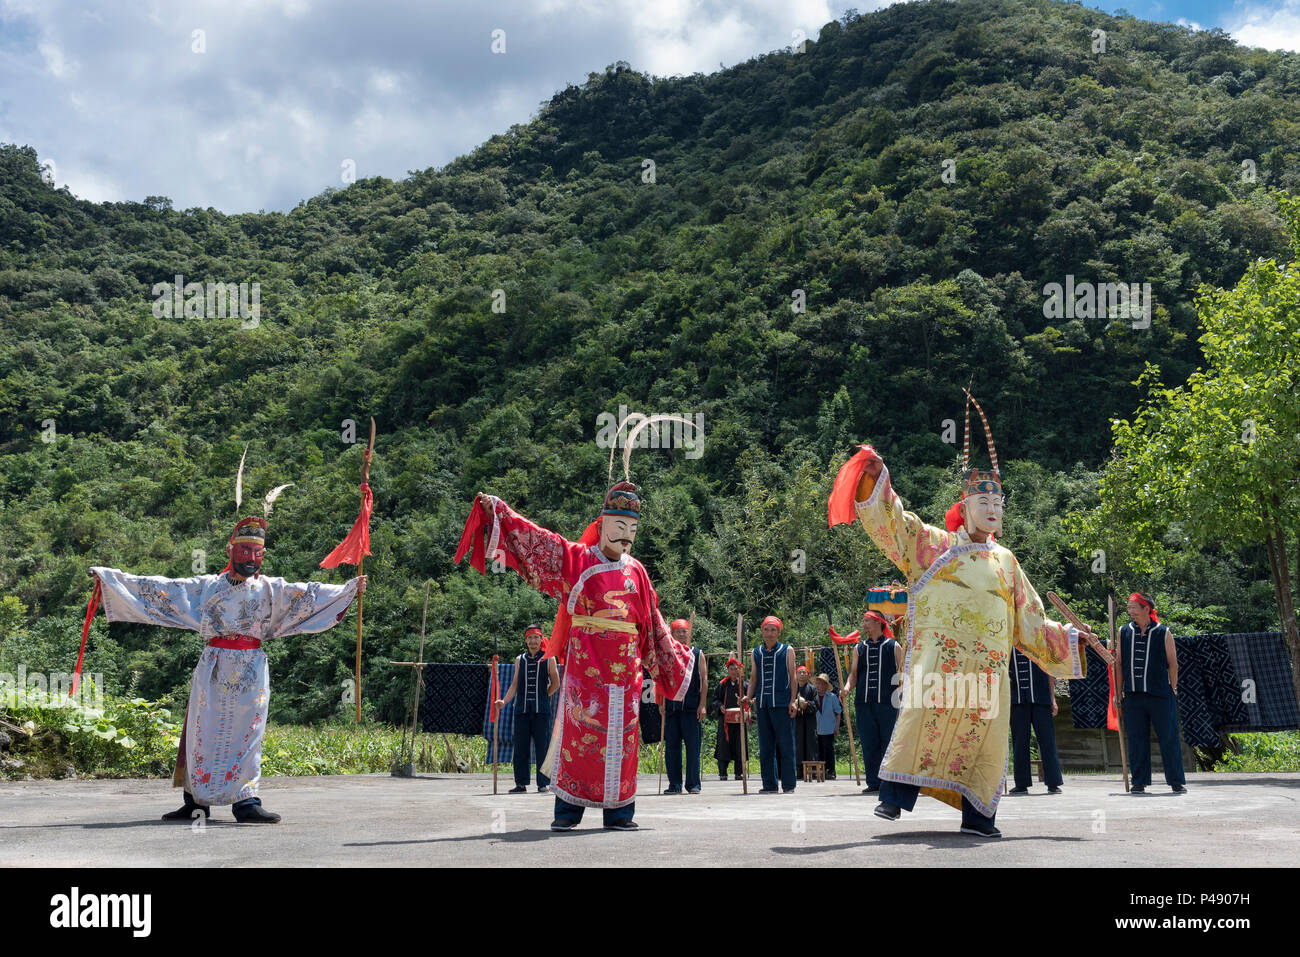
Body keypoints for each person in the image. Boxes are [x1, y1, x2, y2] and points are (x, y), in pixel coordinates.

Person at [827, 390, 1098, 838]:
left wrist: (1070, 636)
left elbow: (1029, 620)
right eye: (983, 504)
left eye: (998, 505)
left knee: (985, 745)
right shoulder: (938, 547)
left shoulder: (1007, 562)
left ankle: (978, 816)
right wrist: (879, 482)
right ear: (966, 507)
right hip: (940, 665)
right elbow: (900, 526)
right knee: (919, 720)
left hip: (988, 674)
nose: (991, 511)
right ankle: (894, 799)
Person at [90, 515, 366, 824]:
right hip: (214, 667)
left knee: (249, 735)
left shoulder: (271, 590)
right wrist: (108, 578)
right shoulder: (206, 588)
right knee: (201, 733)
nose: (251, 558)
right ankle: (195, 802)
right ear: (230, 550)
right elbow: (159, 589)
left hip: (251, 668)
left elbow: (310, 595)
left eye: (257, 553)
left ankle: (246, 802)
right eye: (245, 551)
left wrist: (349, 590)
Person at [455, 481, 695, 831]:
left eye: (632, 530)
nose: (625, 537)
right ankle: (567, 812)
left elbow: (652, 622)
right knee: (578, 739)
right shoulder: (578, 559)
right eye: (619, 527)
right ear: (602, 525)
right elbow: (540, 542)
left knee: (623, 741)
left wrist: (675, 659)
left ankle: (620, 813)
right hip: (586, 668)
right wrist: (501, 513)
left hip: (626, 674)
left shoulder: (638, 572)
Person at [1116, 592, 1186, 795]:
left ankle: (1176, 781)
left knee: (1169, 737)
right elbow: (1119, 664)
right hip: (1133, 695)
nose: (1130, 612)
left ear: (1146, 609)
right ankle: (1139, 781)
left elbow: (1173, 664)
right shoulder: (1124, 632)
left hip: (1161, 695)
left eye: (1134, 608)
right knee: (1137, 739)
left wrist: (1172, 688)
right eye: (1129, 608)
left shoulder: (1163, 632)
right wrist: (1119, 692)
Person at [836, 609, 904, 794]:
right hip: (863, 702)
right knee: (868, 742)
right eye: (863, 621)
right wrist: (847, 688)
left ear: (878, 623)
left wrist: (902, 695)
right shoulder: (859, 648)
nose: (864, 624)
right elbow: (854, 674)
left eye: (867, 621)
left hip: (888, 702)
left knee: (887, 742)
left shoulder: (893, 646)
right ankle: (873, 782)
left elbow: (902, 675)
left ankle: (887, 781)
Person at [495, 624, 560, 794]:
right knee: (520, 747)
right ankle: (521, 783)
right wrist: (504, 701)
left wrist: (544, 696)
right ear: (526, 640)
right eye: (530, 638)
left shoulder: (549, 658)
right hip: (521, 709)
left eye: (536, 637)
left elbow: (556, 683)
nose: (533, 641)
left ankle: (543, 783)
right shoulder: (519, 660)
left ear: (541, 639)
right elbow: (515, 685)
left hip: (541, 711)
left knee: (542, 747)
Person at [745, 615, 797, 793]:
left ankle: (789, 785)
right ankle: (769, 784)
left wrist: (793, 701)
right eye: (766, 629)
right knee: (766, 746)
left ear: (778, 632)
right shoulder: (756, 652)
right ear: (762, 631)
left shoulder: (787, 650)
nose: (769, 633)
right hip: (763, 703)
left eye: (773, 630)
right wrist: (747, 696)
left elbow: (793, 676)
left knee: (786, 745)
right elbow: (753, 679)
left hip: (782, 703)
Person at [1007, 647, 1063, 795]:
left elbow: (1050, 671)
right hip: (1017, 699)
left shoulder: (1040, 641)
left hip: (1041, 698)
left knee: (1047, 740)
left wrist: (1053, 699)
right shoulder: (1007, 642)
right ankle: (1021, 784)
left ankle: (1053, 782)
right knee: (1019, 742)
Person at [663, 618, 706, 794]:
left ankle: (693, 784)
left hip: (691, 708)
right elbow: (662, 680)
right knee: (672, 748)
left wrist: (702, 705)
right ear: (671, 634)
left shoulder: (697, 653)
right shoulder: (668, 652)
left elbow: (704, 680)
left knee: (693, 748)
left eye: (684, 631)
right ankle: (674, 784)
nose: (681, 634)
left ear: (689, 633)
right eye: (678, 631)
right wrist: (660, 702)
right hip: (672, 708)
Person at [713, 657, 749, 780]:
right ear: (728, 670)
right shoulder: (722, 685)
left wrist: (745, 702)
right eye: (731, 669)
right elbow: (715, 700)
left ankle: (739, 772)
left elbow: (751, 698)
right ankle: (723, 772)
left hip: (740, 721)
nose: (734, 671)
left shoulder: (744, 684)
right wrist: (720, 706)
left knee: (740, 745)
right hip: (725, 721)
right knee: (724, 746)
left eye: (736, 669)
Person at [813, 673, 841, 779]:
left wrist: (837, 727)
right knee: (818, 750)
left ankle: (831, 771)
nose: (819, 686)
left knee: (828, 749)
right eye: (817, 683)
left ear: (826, 685)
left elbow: (838, 713)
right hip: (817, 728)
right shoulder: (813, 696)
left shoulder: (832, 697)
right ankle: (821, 771)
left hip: (829, 728)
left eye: (821, 684)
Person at [793, 664, 819, 774]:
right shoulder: (792, 688)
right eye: (800, 672)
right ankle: (799, 771)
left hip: (809, 721)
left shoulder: (813, 689)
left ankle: (812, 771)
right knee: (798, 744)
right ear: (796, 675)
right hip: (797, 720)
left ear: (808, 675)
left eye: (804, 672)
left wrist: (806, 705)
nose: (802, 674)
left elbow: (816, 704)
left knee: (811, 743)